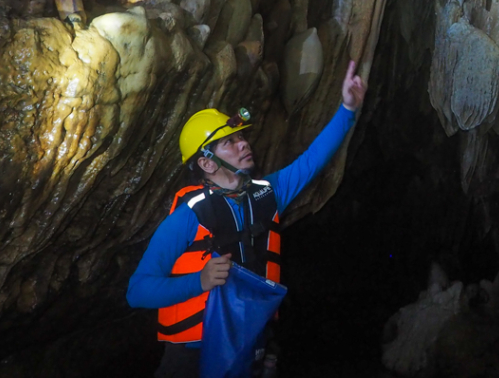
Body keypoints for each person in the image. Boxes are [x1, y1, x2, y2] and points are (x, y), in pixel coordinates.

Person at [127, 60, 367, 378]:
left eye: (241, 137)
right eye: (229, 142)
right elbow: (137, 291)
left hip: (248, 346)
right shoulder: (187, 218)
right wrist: (199, 281)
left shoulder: (269, 193)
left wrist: (347, 109)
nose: (244, 144)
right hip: (193, 356)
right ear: (207, 164)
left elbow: (312, 160)